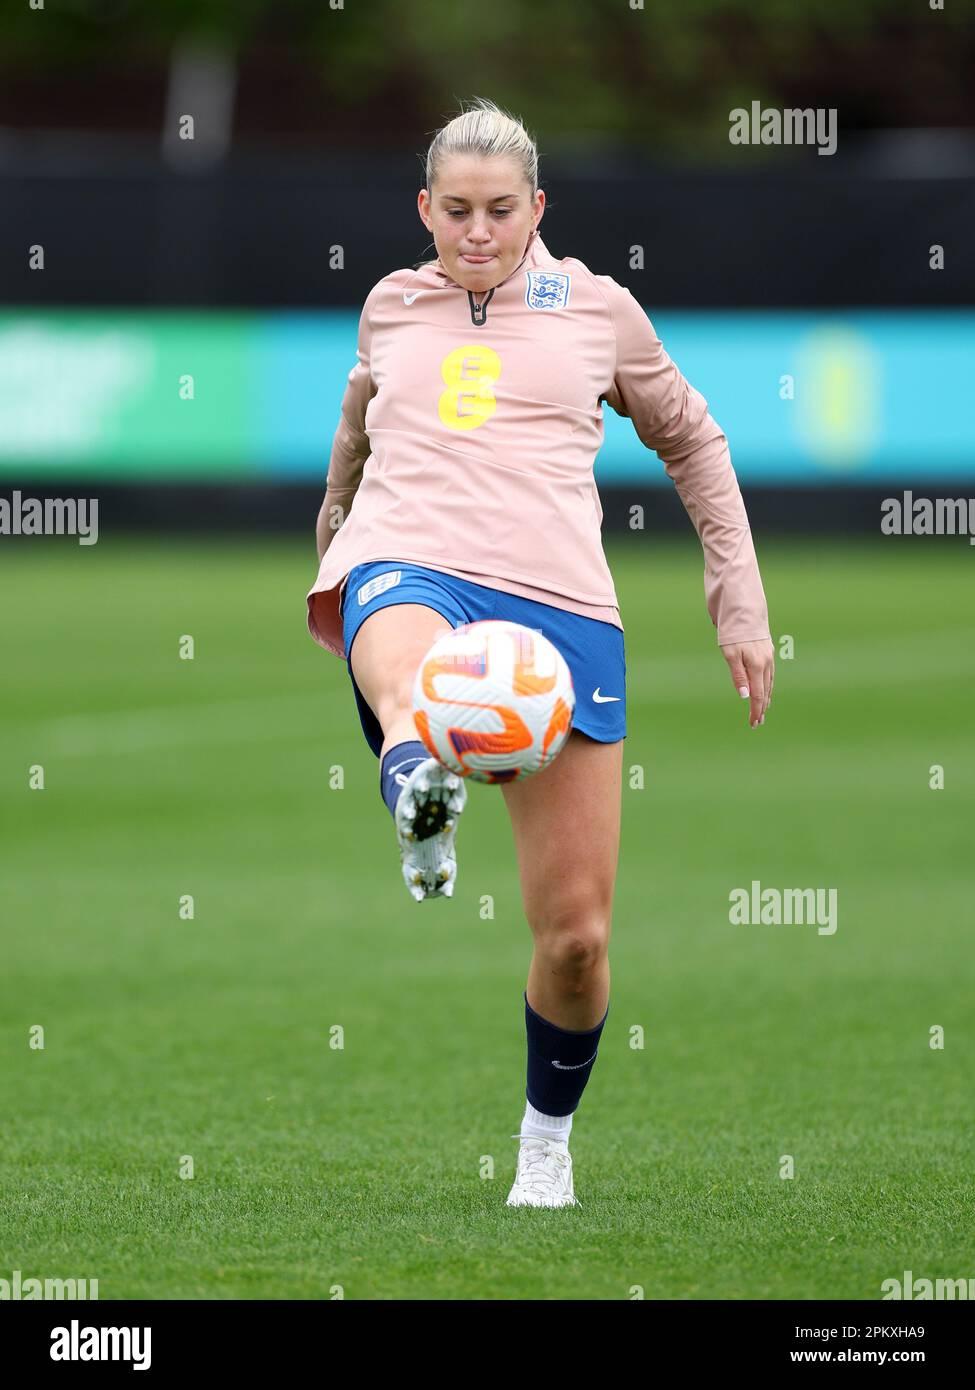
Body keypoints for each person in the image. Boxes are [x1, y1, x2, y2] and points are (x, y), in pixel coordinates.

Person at [306, 97, 774, 1208]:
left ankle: (544, 1147)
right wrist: (335, 538)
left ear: (538, 209)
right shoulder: (390, 305)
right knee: (413, 674)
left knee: (575, 937)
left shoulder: (598, 311)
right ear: (425, 208)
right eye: (455, 210)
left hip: (561, 608)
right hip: (407, 563)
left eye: (500, 211)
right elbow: (358, 429)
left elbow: (693, 440)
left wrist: (739, 595)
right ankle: (418, 778)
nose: (477, 232)